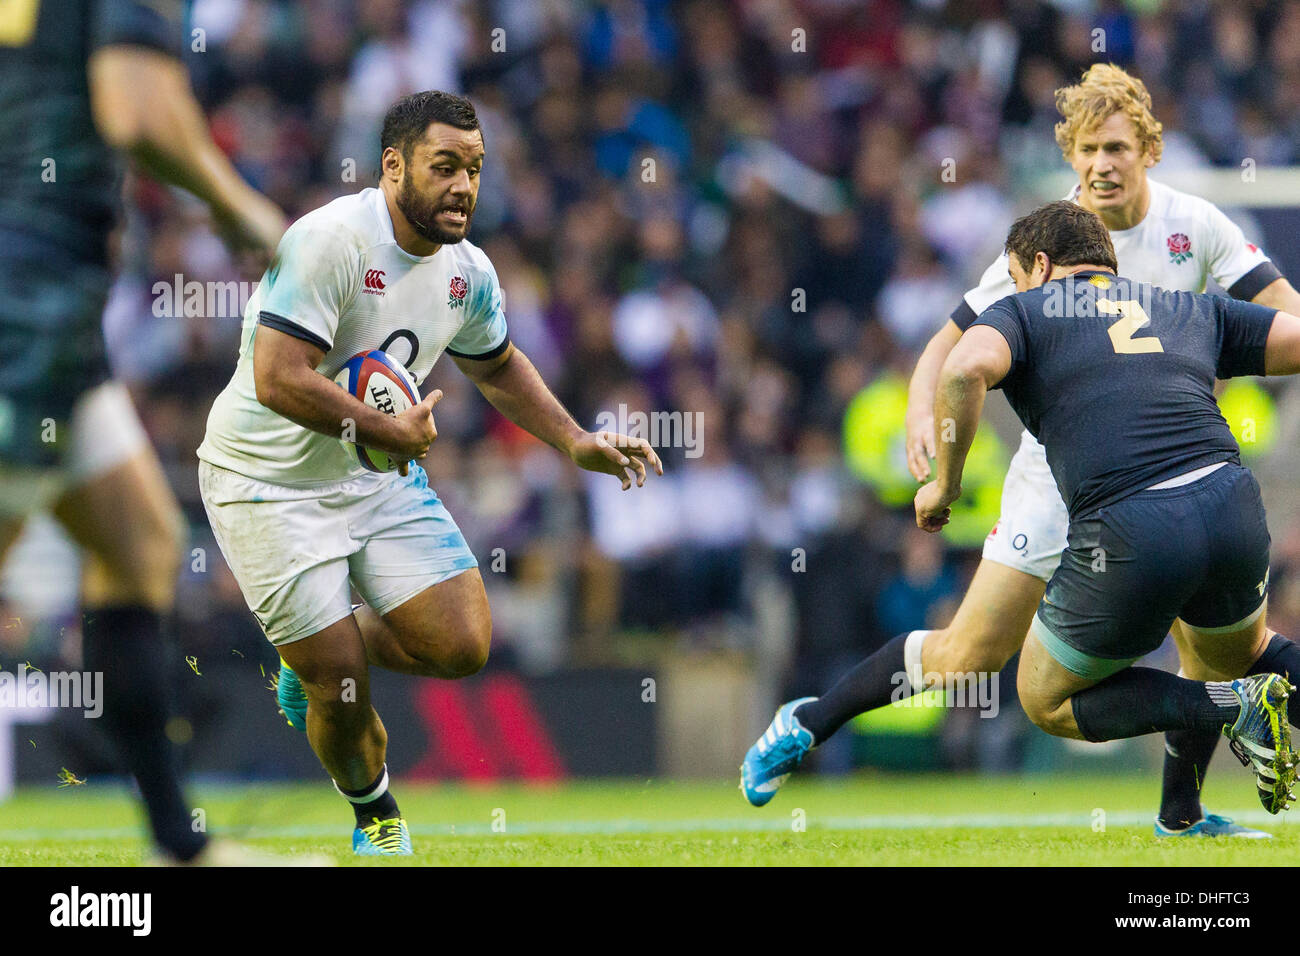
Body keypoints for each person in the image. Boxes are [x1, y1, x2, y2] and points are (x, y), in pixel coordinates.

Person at [741, 64, 1300, 836]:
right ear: (1069, 158)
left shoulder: (1194, 223)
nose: (1101, 166)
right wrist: (918, 417)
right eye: (1086, 151)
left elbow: (1283, 312)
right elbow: (951, 342)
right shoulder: (1046, 243)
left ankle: (1183, 812)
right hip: (1058, 474)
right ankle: (807, 719)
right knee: (970, 654)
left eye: (1115, 148)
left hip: (1155, 462)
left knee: (1209, 648)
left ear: (1149, 150)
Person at [197, 90, 662, 856]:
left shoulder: (469, 273)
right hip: (265, 481)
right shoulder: (330, 241)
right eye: (445, 167)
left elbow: (499, 364)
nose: (464, 187)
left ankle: (318, 644)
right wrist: (386, 430)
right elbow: (279, 377)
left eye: (475, 170)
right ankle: (375, 815)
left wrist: (574, 440)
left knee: (463, 645)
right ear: (393, 166)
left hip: (376, 474)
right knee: (340, 688)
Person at [0, 0, 286, 864]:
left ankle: (177, 846)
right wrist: (245, 212)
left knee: (139, 542)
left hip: (49, 295)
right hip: (28, 290)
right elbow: (137, 107)